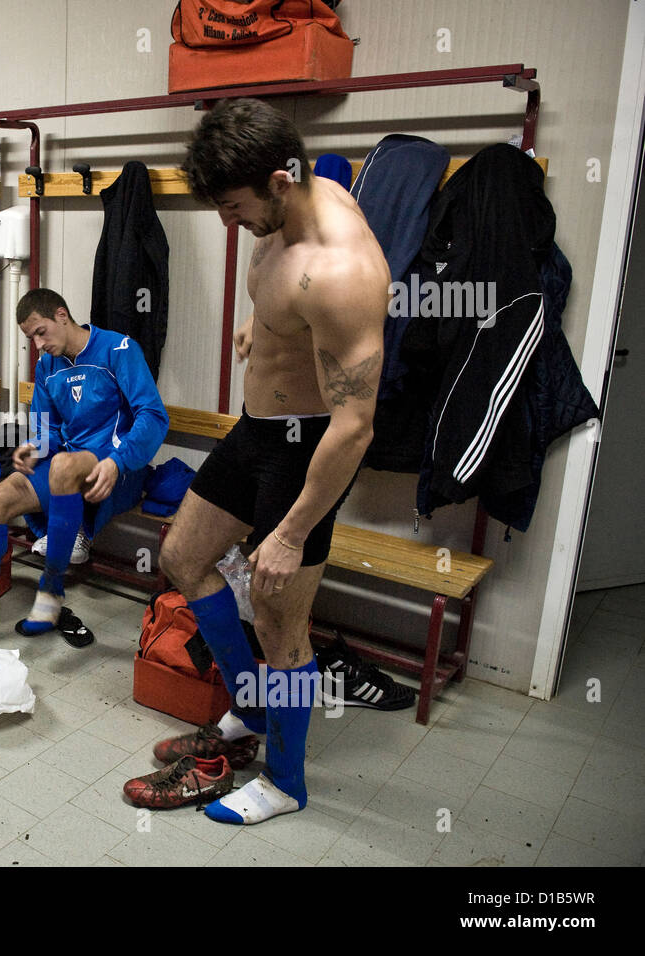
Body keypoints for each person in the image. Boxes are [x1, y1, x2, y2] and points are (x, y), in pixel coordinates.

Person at [153, 98, 390, 824]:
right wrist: (268, 315)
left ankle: (286, 781)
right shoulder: (292, 205)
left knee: (280, 622)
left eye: (233, 208)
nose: (229, 223)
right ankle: (252, 710)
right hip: (256, 430)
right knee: (183, 557)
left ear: (281, 180)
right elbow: (286, 279)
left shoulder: (342, 270)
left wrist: (288, 533)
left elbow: (355, 425)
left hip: (308, 448)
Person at [0, 288, 168, 654]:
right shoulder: (47, 367)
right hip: (67, 466)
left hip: (117, 464)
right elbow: (48, 428)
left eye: (41, 331)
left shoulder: (119, 349)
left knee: (61, 465)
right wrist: (35, 446)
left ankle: (52, 587)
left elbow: (153, 417)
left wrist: (117, 461)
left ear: (62, 315)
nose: (39, 344)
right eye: (31, 338)